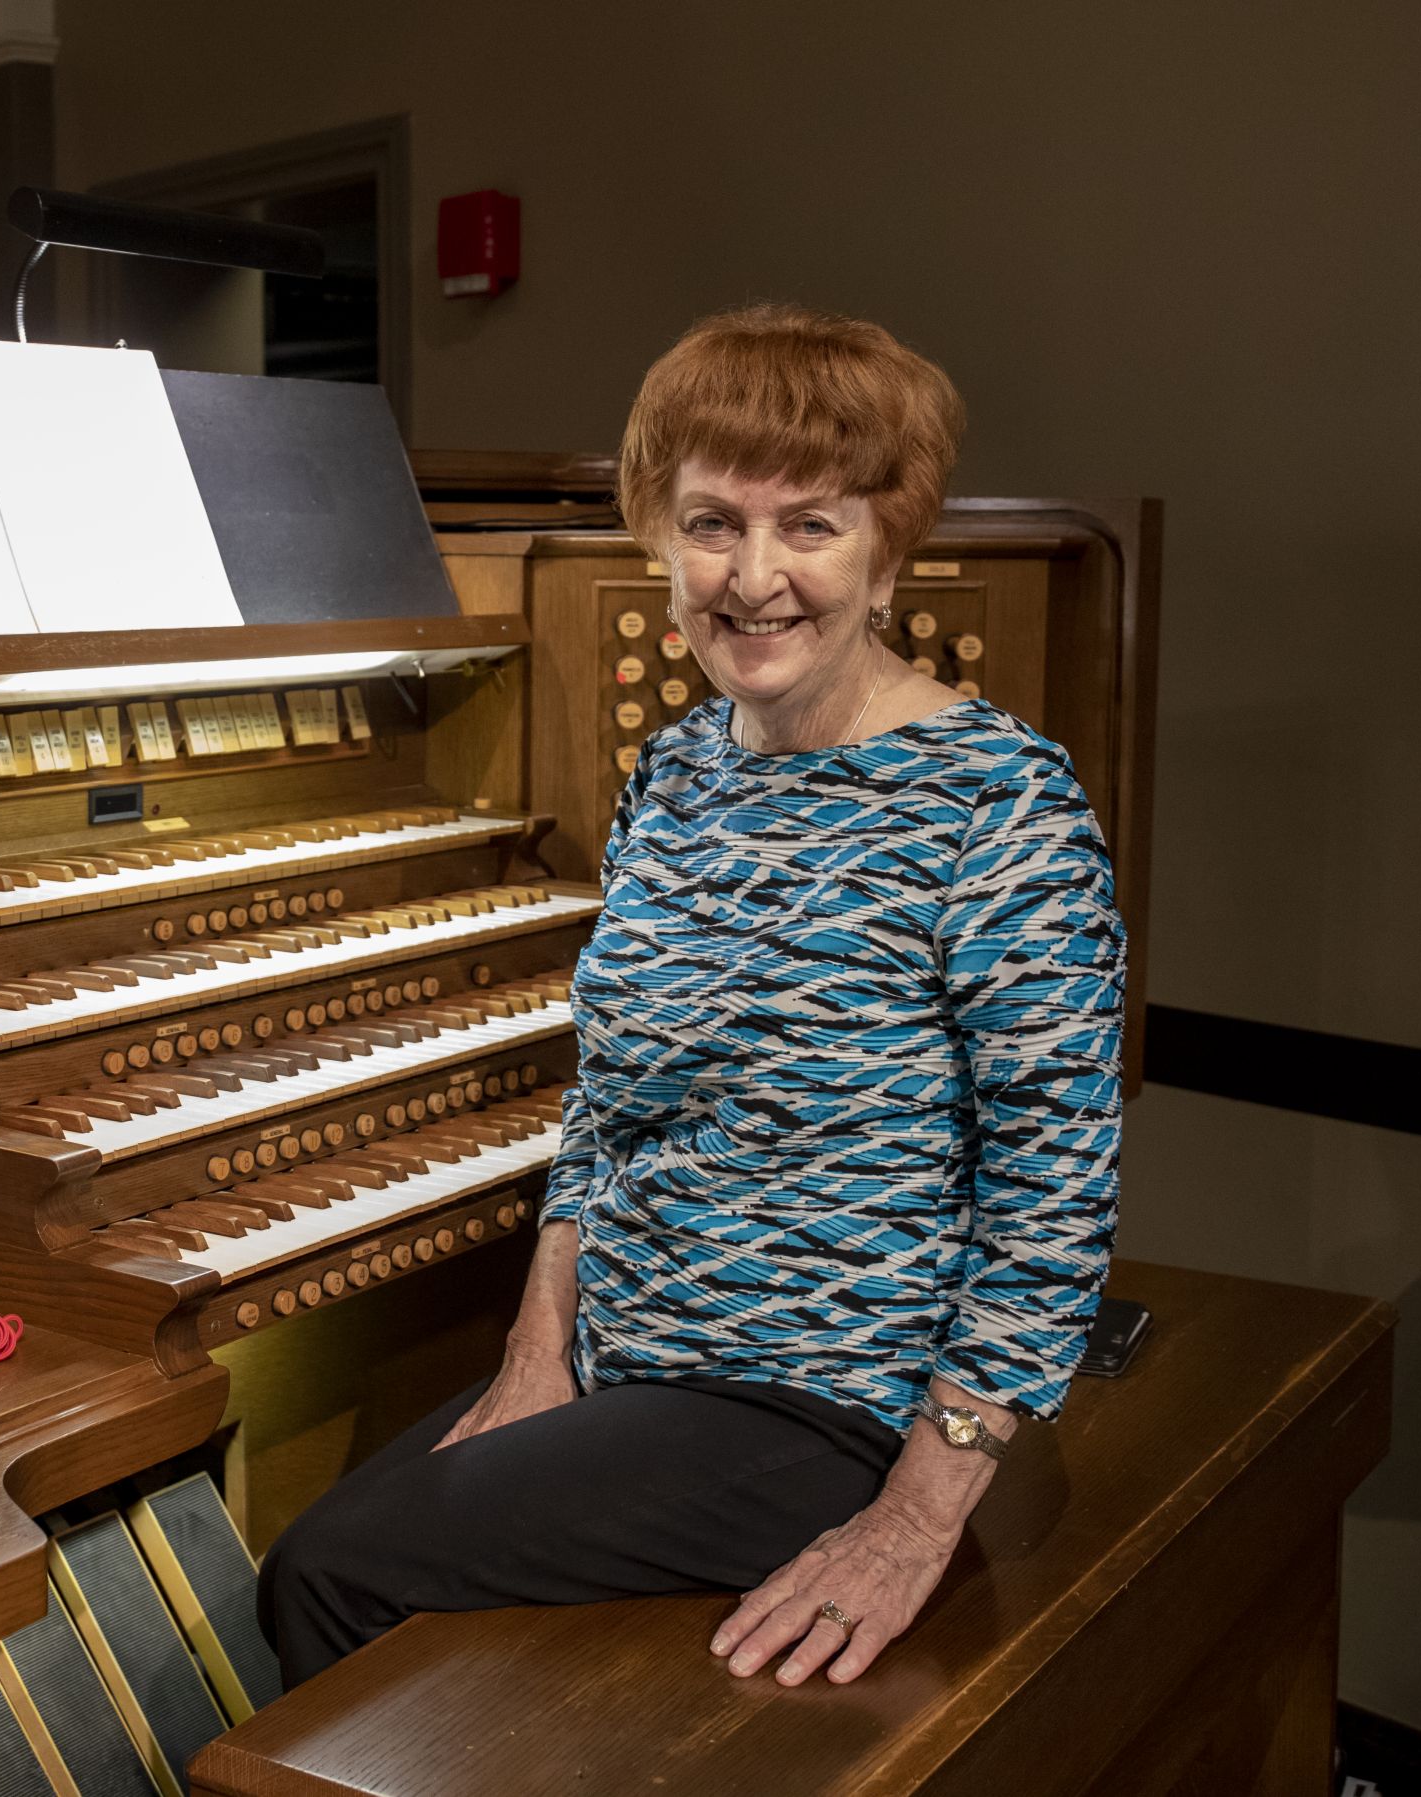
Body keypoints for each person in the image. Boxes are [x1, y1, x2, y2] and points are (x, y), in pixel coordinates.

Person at [258, 303, 1124, 1693]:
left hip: (827, 1395)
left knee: (330, 1572)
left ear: (888, 550)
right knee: (338, 1555)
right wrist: (538, 1354)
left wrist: (910, 1521)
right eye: (715, 522)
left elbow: (1053, 1192)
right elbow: (607, 1110)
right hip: (627, 1364)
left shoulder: (1001, 803)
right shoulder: (676, 778)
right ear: (662, 545)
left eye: (811, 526)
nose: (754, 575)